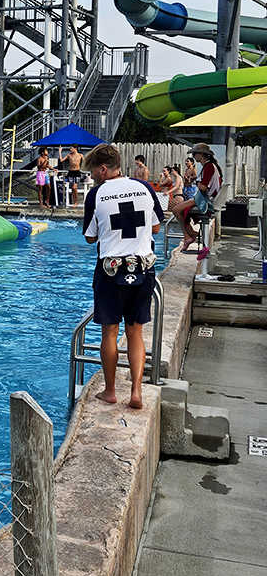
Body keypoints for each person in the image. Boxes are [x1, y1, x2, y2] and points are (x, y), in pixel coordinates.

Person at [83, 143, 164, 409]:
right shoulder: (144, 188)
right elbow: (155, 227)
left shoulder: (97, 194)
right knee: (136, 332)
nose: (93, 176)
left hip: (110, 270)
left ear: (103, 169)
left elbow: (89, 236)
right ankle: (137, 391)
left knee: (110, 331)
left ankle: (110, 391)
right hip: (143, 268)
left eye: (94, 171)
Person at [171, 143, 223, 256]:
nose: (193, 155)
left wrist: (197, 182)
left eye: (195, 153)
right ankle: (190, 235)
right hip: (202, 198)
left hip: (204, 200)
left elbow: (203, 187)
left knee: (175, 210)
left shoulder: (209, 167)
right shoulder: (209, 166)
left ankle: (188, 236)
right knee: (177, 210)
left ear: (202, 155)